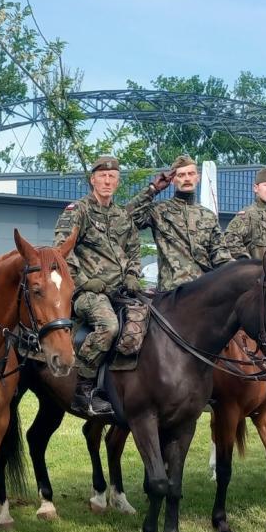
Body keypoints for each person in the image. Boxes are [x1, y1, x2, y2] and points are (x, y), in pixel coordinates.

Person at [53, 156, 143, 415]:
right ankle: (84, 387)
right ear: (92, 179)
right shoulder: (77, 211)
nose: (107, 180)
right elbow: (61, 251)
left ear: (117, 181)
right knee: (109, 326)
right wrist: (83, 282)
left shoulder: (121, 215)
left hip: (122, 290)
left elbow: (134, 251)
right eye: (102, 176)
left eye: (112, 176)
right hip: (89, 293)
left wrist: (133, 274)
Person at [125, 154, 231, 291]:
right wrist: (152, 189)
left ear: (197, 178)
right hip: (172, 293)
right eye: (181, 175)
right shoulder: (160, 211)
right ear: (173, 180)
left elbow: (220, 256)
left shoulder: (208, 215)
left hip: (204, 291)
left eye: (191, 174)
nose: (187, 178)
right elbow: (126, 218)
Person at [223, 167, 266, 260]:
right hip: (255, 273)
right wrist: (247, 263)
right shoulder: (247, 216)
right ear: (256, 188)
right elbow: (229, 240)